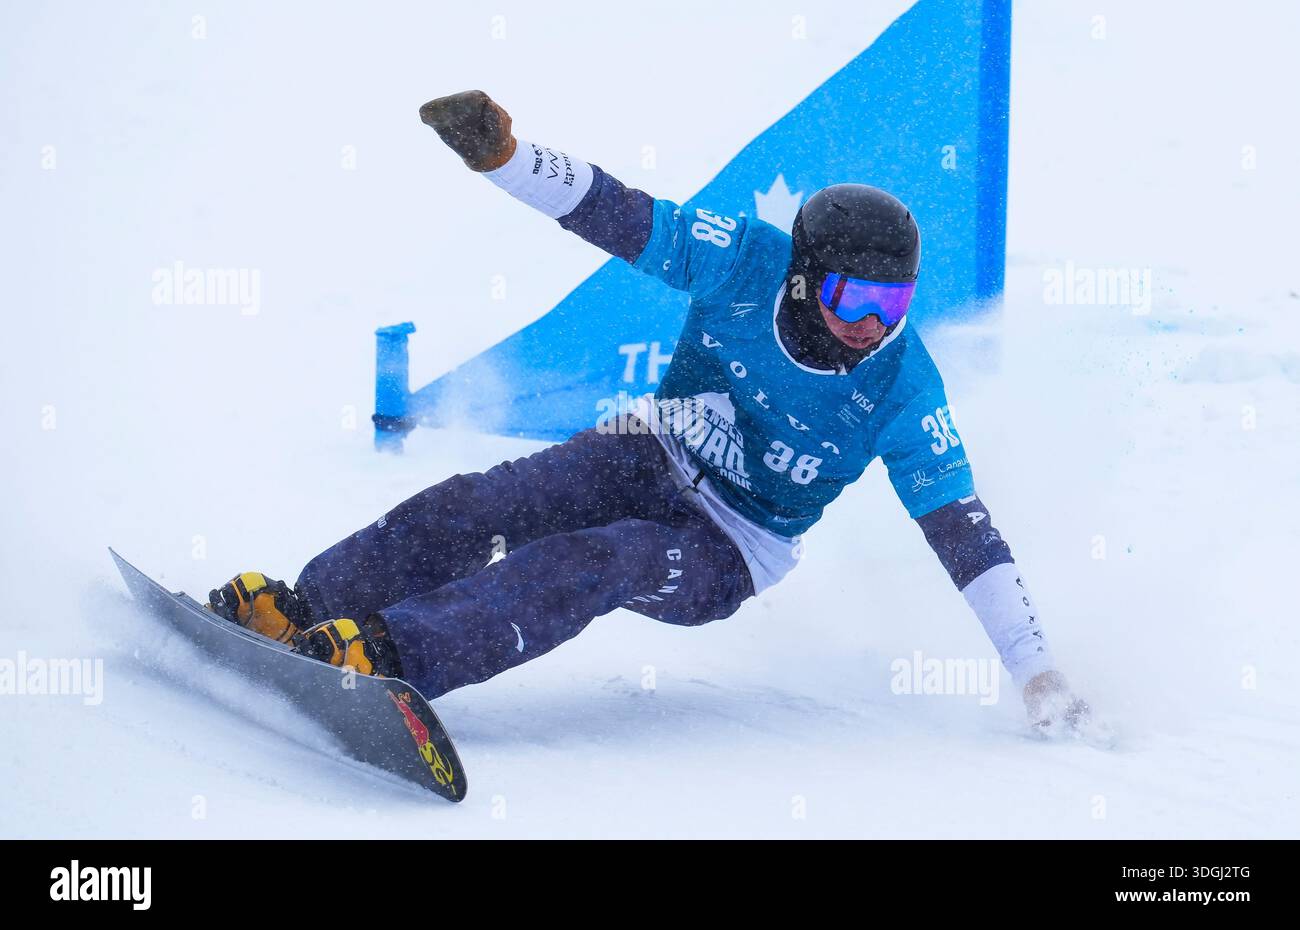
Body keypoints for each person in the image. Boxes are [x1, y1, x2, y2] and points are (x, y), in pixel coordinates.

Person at [210, 90, 1093, 734]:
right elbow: (625, 217)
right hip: (649, 449)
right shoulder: (747, 262)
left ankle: (389, 660)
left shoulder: (902, 385)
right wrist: (506, 159)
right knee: (481, 503)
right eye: (854, 296)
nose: (872, 325)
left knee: (599, 558)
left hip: (734, 546)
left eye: (893, 304)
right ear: (800, 271)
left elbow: (965, 534)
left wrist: (1039, 673)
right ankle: (304, 609)